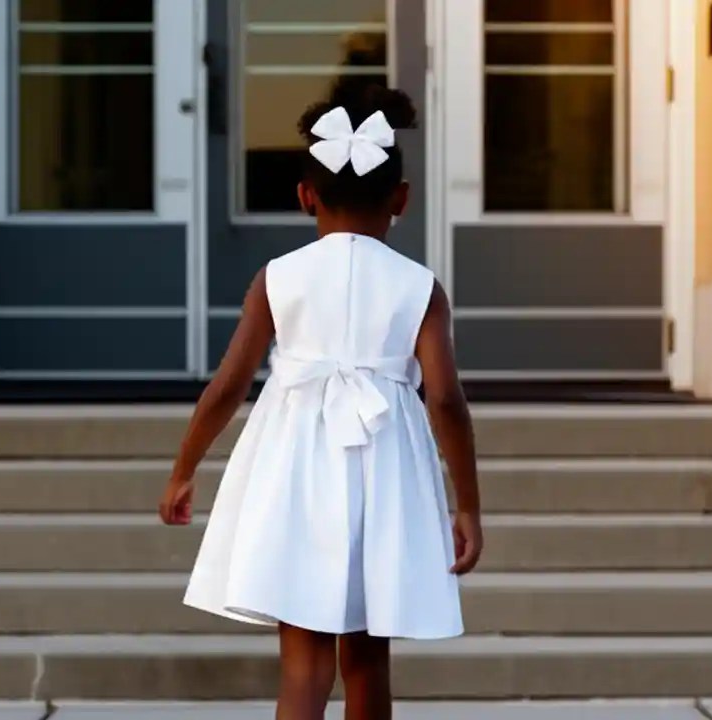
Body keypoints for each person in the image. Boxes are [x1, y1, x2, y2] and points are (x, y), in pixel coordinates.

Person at [159, 84, 482, 720]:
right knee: (367, 658)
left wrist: (184, 468)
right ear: (401, 199)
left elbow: (228, 385)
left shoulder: (277, 277)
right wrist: (466, 504)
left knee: (304, 665)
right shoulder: (421, 287)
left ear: (306, 195)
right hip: (384, 472)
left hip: (294, 471)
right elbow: (445, 399)